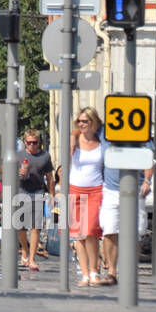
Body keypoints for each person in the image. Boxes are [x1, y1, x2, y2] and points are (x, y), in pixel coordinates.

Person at [98, 145, 153, 287]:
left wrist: (147, 181)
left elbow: (150, 159)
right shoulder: (105, 133)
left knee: (136, 233)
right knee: (109, 231)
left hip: (136, 187)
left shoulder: (141, 133)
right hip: (110, 190)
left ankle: (130, 273)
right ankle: (111, 272)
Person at [69, 106, 105, 286]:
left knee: (91, 231)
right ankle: (84, 273)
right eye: (79, 121)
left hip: (95, 190)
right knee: (79, 235)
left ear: (93, 122)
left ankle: (94, 271)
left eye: (85, 121)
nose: (81, 124)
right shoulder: (74, 139)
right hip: (75, 189)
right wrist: (73, 135)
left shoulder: (102, 140)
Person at [17, 132, 55, 272]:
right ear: (25, 142)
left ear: (39, 142)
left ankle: (32, 259)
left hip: (38, 192)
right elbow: (5, 171)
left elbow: (50, 177)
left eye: (35, 142)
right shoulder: (18, 155)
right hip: (21, 191)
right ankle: (25, 249)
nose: (32, 145)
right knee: (19, 226)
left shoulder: (45, 156)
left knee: (36, 226)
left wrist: (52, 195)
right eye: (29, 142)